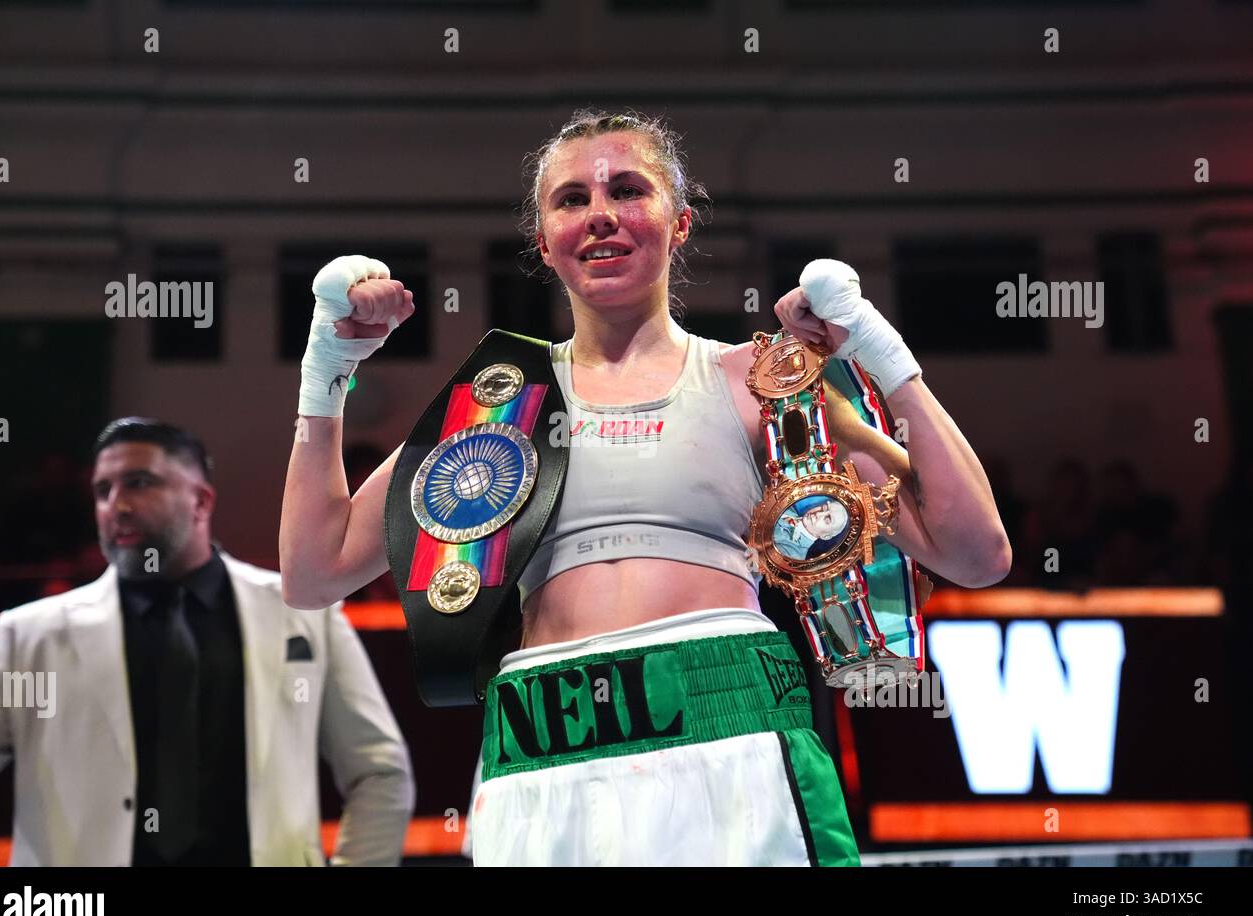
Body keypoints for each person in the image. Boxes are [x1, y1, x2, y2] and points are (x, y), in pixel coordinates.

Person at [280, 109, 1010, 866]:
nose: (600, 215)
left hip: (729, 736)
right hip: (539, 754)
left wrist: (877, 352)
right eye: (571, 200)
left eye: (627, 190)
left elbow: (975, 551)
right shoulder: (494, 405)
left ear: (681, 222)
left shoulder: (759, 384)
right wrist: (326, 370)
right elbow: (312, 571)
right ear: (543, 242)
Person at [0, 417, 415, 866]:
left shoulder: (303, 613)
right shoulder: (32, 635)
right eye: (102, 490)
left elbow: (379, 771)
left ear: (200, 501)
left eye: (139, 482)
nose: (118, 505)